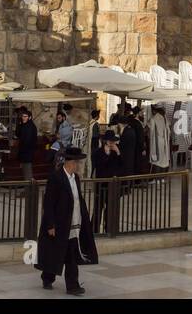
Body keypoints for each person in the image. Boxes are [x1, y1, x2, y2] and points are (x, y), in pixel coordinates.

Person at [37, 146, 97, 295]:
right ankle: (47, 277)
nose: (79, 165)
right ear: (70, 162)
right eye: (78, 162)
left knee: (71, 255)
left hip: (72, 222)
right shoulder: (56, 177)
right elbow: (49, 203)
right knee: (54, 254)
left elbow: (77, 199)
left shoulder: (75, 178)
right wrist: (50, 225)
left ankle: (73, 286)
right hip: (59, 224)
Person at [91, 131, 123, 230]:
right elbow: (99, 166)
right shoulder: (97, 152)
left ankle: (109, 229)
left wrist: (118, 153)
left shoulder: (116, 152)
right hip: (101, 185)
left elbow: (121, 166)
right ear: (106, 141)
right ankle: (94, 229)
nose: (113, 143)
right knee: (98, 208)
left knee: (110, 208)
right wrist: (106, 154)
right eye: (111, 141)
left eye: (113, 141)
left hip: (112, 185)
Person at [14, 107, 38, 181]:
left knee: (28, 174)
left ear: (29, 117)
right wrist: (19, 123)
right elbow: (17, 133)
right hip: (25, 154)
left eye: (25, 116)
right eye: (23, 116)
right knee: (26, 174)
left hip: (27, 154)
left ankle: (29, 191)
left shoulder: (30, 127)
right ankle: (28, 191)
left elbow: (27, 141)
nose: (23, 118)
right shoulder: (24, 125)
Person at [148, 105, 171, 172]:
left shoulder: (153, 118)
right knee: (164, 161)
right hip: (165, 142)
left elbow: (150, 130)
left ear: (154, 111)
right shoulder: (165, 119)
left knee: (157, 162)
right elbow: (169, 131)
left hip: (156, 142)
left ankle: (157, 180)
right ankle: (162, 179)